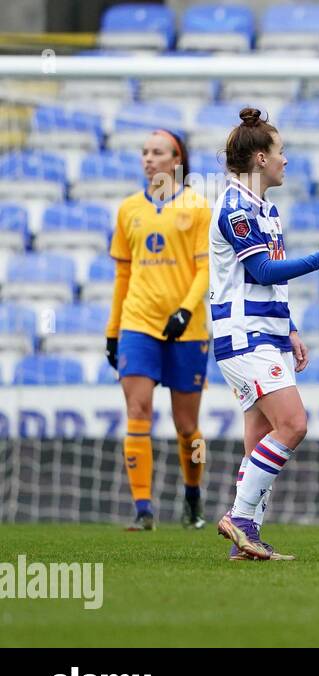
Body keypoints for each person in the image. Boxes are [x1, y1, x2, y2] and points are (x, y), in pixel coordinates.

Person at [210, 108, 319, 561]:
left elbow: (267, 281)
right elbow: (260, 270)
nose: (285, 160)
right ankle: (239, 519)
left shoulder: (265, 210)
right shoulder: (236, 208)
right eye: (280, 152)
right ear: (260, 158)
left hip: (267, 332)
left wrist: (291, 328)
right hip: (244, 336)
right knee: (294, 425)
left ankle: (248, 539)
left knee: (260, 441)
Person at [105, 128, 211, 531]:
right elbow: (122, 273)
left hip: (187, 329)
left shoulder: (198, 207)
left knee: (187, 428)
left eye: (158, 152)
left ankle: (193, 495)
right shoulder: (129, 209)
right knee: (137, 411)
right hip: (138, 323)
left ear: (177, 159)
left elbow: (205, 269)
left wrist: (185, 310)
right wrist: (113, 330)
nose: (148, 159)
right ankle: (144, 510)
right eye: (144, 151)